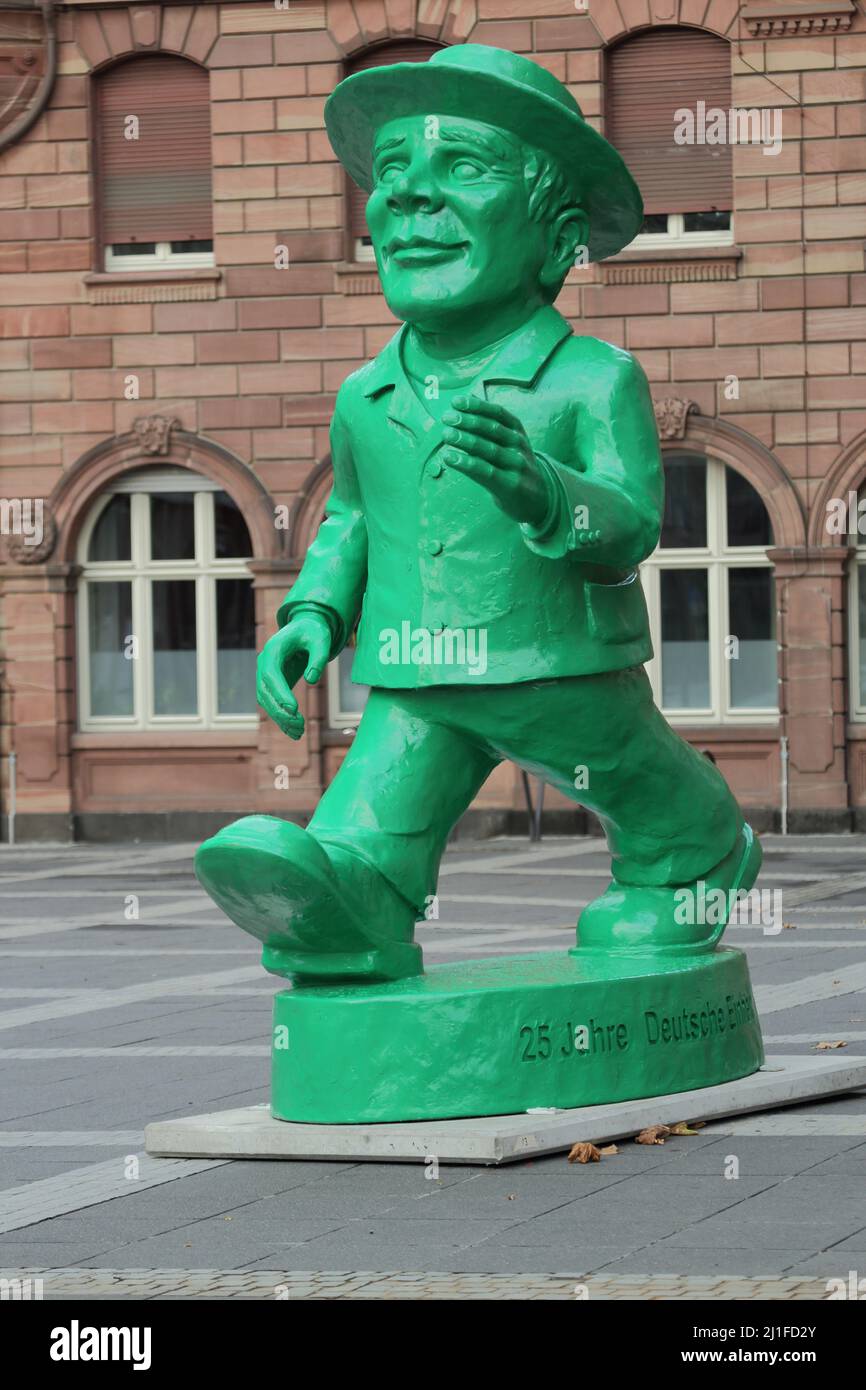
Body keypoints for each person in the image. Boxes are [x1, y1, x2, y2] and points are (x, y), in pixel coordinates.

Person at [196, 45, 761, 982]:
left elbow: (629, 530)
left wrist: (545, 492)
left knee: (641, 787)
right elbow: (353, 521)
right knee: (369, 827)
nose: (410, 201)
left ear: (554, 237)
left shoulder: (591, 379)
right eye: (392, 177)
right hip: (417, 674)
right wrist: (313, 616)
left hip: (560, 669)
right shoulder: (364, 395)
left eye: (463, 167)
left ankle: (698, 852)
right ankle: (358, 907)